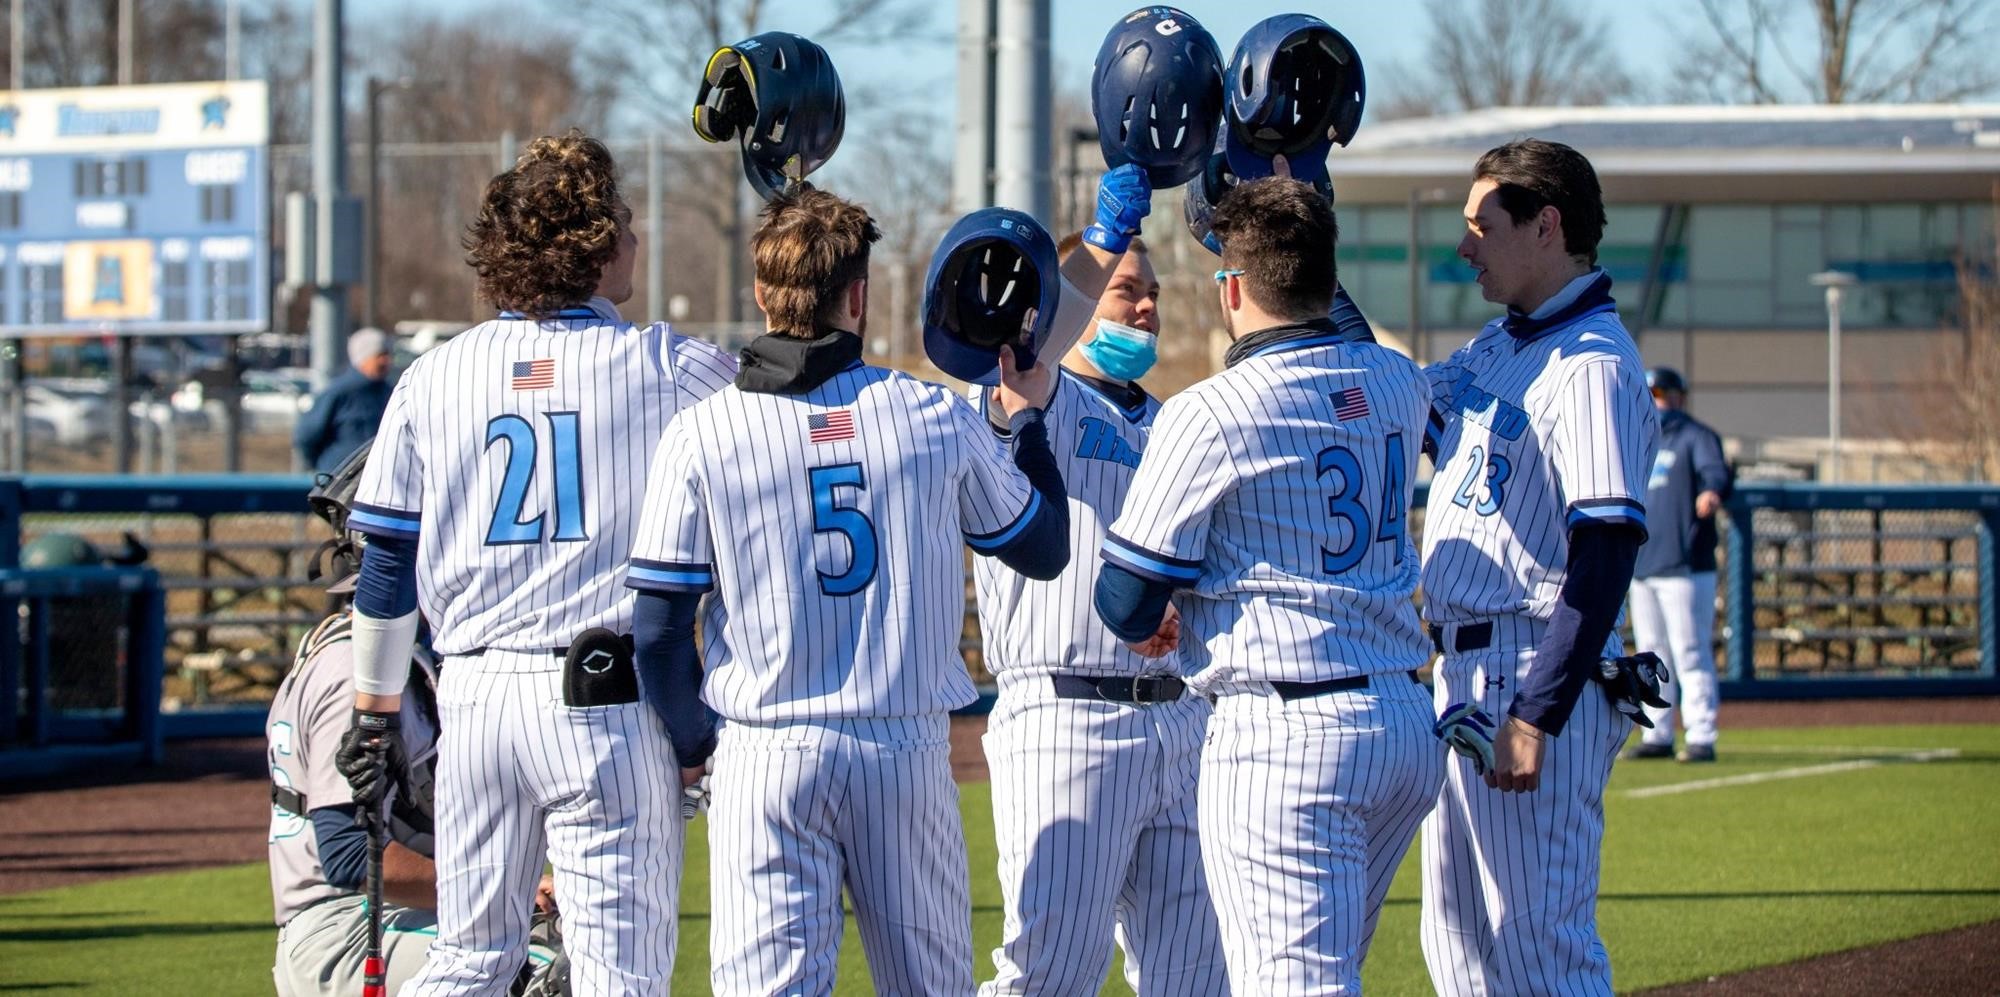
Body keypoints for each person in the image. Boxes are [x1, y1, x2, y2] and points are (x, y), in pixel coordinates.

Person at [622, 175, 1136, 994]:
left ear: (761, 290)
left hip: (765, 750)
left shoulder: (704, 429)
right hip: (900, 750)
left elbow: (656, 628)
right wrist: (1031, 419)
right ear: (858, 296)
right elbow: (1042, 547)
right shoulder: (928, 417)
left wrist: (693, 743)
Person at [334, 130, 737, 995]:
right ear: (592, 244)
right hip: (601, 697)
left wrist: (373, 714)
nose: (634, 236)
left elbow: (385, 567)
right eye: (623, 221)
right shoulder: (669, 365)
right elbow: (788, 410)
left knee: (469, 959)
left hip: (473, 700)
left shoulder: (433, 375)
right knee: (617, 976)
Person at [1094, 177, 1441, 993]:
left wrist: (1167, 608)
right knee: (1323, 970)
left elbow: (1126, 597)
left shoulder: (1212, 410)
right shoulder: (1398, 382)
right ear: (1328, 274)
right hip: (1398, 720)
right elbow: (1346, 336)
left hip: (1287, 734)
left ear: (1231, 288)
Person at [1416, 139, 1660, 996]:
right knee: (1458, 945)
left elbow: (1605, 552)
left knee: (1536, 954)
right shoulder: (1500, 345)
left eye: (1483, 223)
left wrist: (1538, 713)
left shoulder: (1591, 363)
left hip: (1528, 665)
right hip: (1464, 670)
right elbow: (1399, 400)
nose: (1466, 245)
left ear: (1546, 225)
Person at [970, 226, 1227, 997]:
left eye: (1152, 293)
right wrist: (1101, 238)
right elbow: (1025, 342)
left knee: (1197, 977)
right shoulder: (1029, 392)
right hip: (1067, 717)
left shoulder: (1177, 419)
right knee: (1048, 974)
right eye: (1126, 290)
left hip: (1180, 720)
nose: (1147, 306)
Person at [266, 450, 561, 996]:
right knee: (549, 974)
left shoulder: (394, 656)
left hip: (384, 915)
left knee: (576, 943)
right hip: (346, 930)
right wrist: (493, 892)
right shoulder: (351, 668)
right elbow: (350, 857)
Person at [1623, 367, 1732, 762]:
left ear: (1680, 397)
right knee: (1651, 655)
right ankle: (1657, 734)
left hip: (1686, 567)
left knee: (1689, 649)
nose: (1658, 400)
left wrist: (1712, 492)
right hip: (1644, 563)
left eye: (1665, 392)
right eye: (1652, 392)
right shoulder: (1637, 440)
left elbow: (1715, 472)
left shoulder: (1695, 436)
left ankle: (1702, 733)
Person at [295, 328, 396, 474]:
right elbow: (307, 434)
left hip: (379, 479)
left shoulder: (390, 393)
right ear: (363, 358)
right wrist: (325, 465)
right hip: (340, 482)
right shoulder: (339, 392)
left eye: (387, 355)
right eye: (380, 355)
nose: (386, 361)